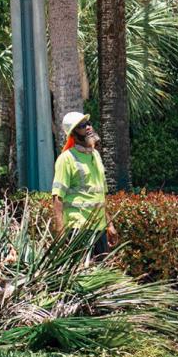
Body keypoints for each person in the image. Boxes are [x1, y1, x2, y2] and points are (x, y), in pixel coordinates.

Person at [51, 111, 117, 259]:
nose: (88, 127)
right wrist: (61, 233)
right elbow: (57, 198)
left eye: (88, 123)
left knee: (101, 274)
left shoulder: (96, 156)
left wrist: (110, 224)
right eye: (82, 125)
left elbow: (100, 197)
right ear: (73, 134)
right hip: (78, 228)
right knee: (82, 275)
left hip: (99, 228)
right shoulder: (66, 159)